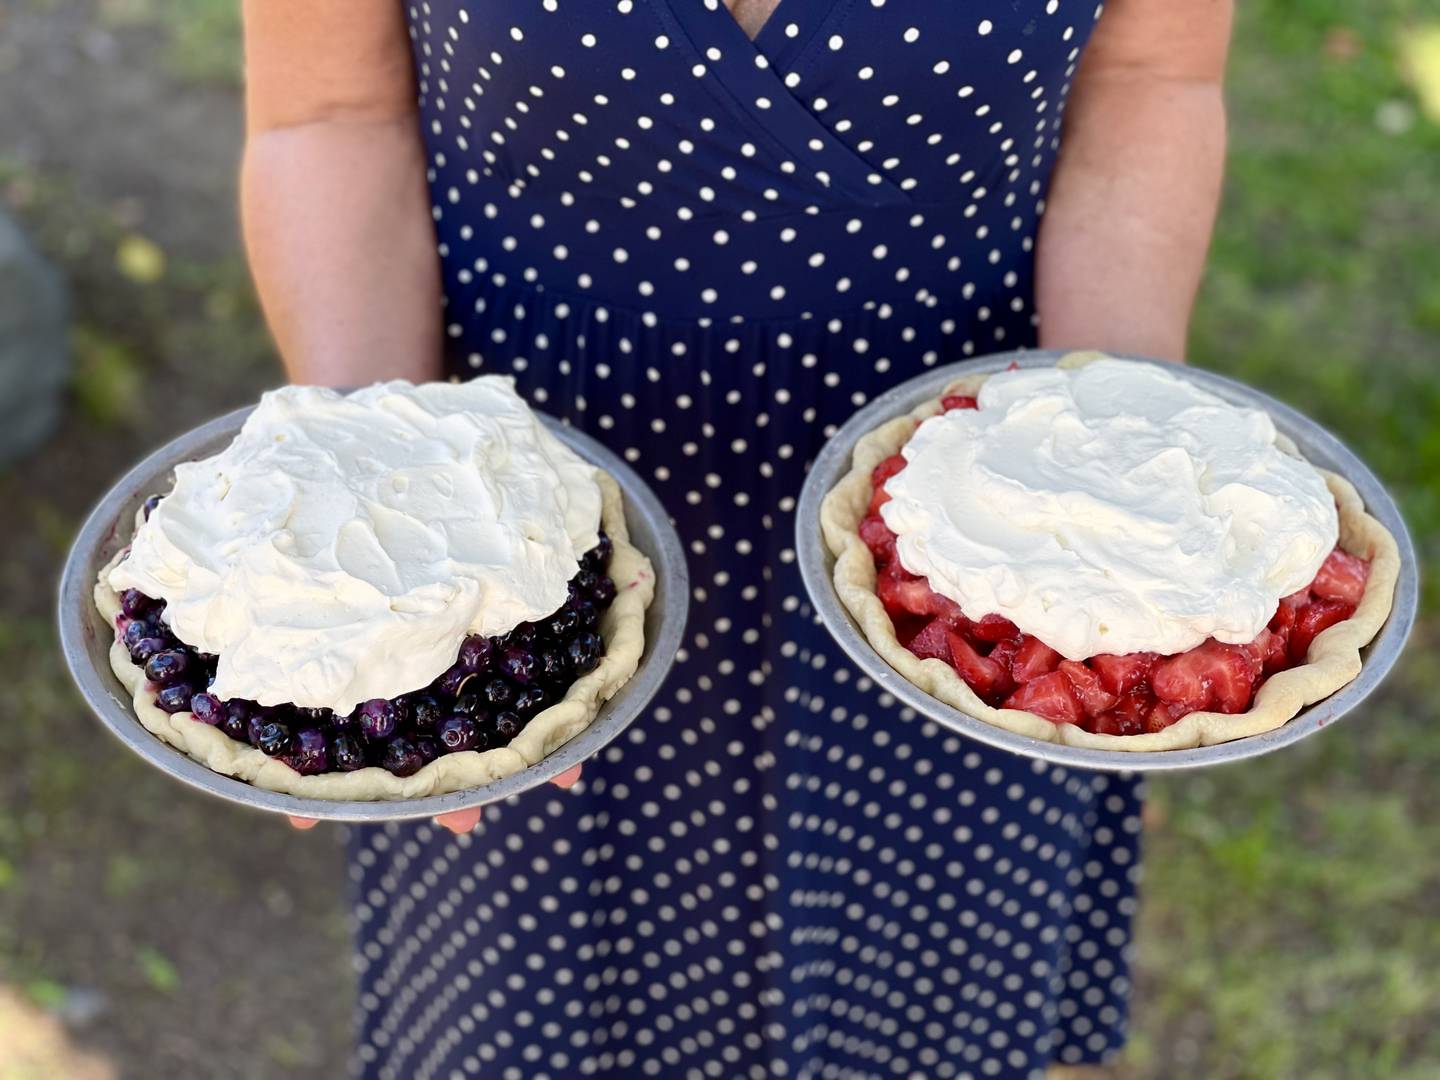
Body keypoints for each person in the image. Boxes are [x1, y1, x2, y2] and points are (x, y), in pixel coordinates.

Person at [241, 1, 1232, 1076]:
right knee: (529, 988)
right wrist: (371, 540)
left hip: (977, 534)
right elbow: (333, 111)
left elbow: (1148, 81)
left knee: (922, 980)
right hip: (516, 528)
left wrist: (1115, 501)